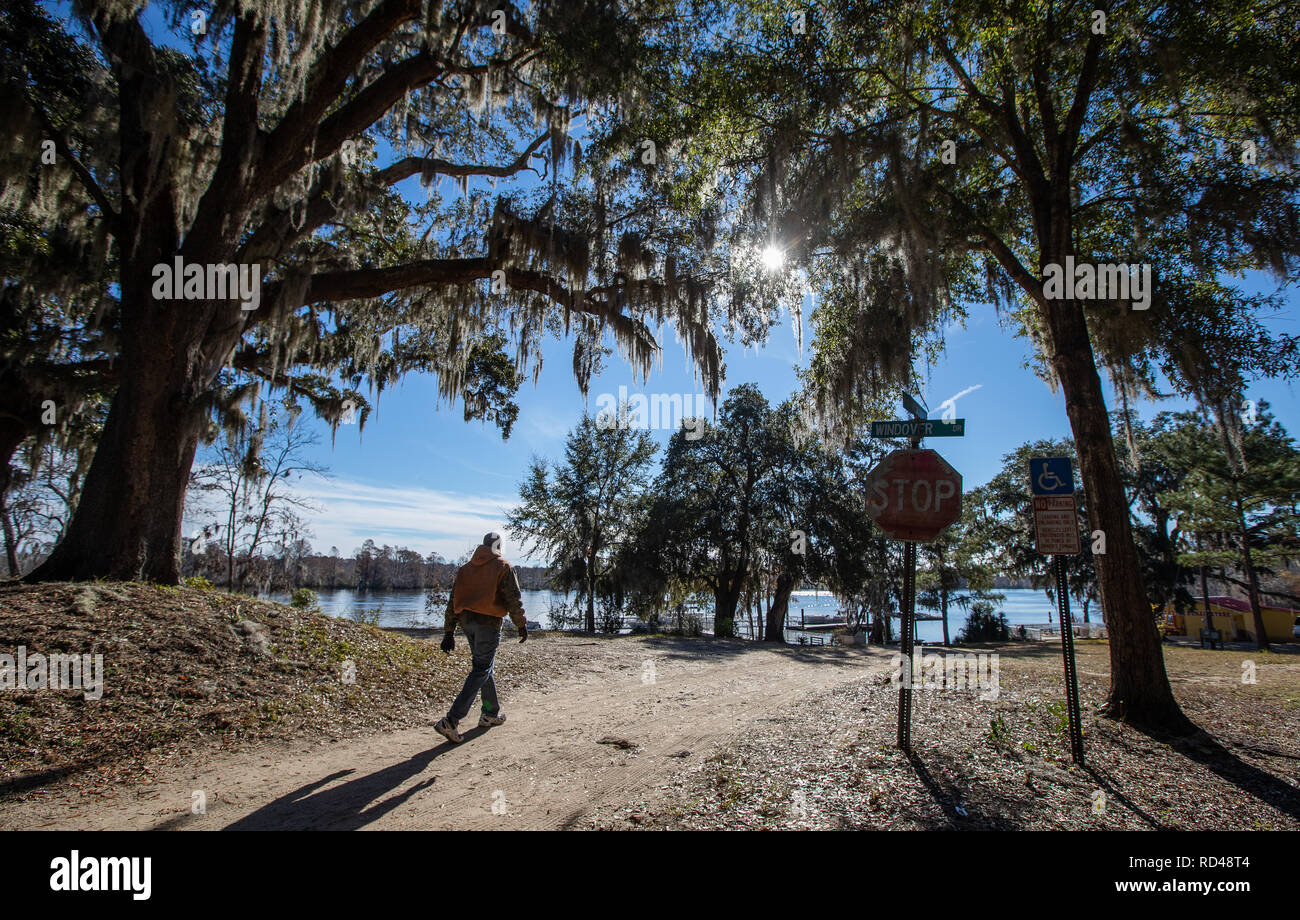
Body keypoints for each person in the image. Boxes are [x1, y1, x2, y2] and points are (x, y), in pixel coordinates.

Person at [434, 532, 528, 744]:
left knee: (485, 667)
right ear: (498, 545)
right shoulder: (503, 567)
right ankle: (451, 720)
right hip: (489, 623)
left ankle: (490, 713)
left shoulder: (465, 569)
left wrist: (449, 631)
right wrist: (521, 625)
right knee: (481, 669)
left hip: (467, 623)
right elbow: (513, 599)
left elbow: (453, 600)